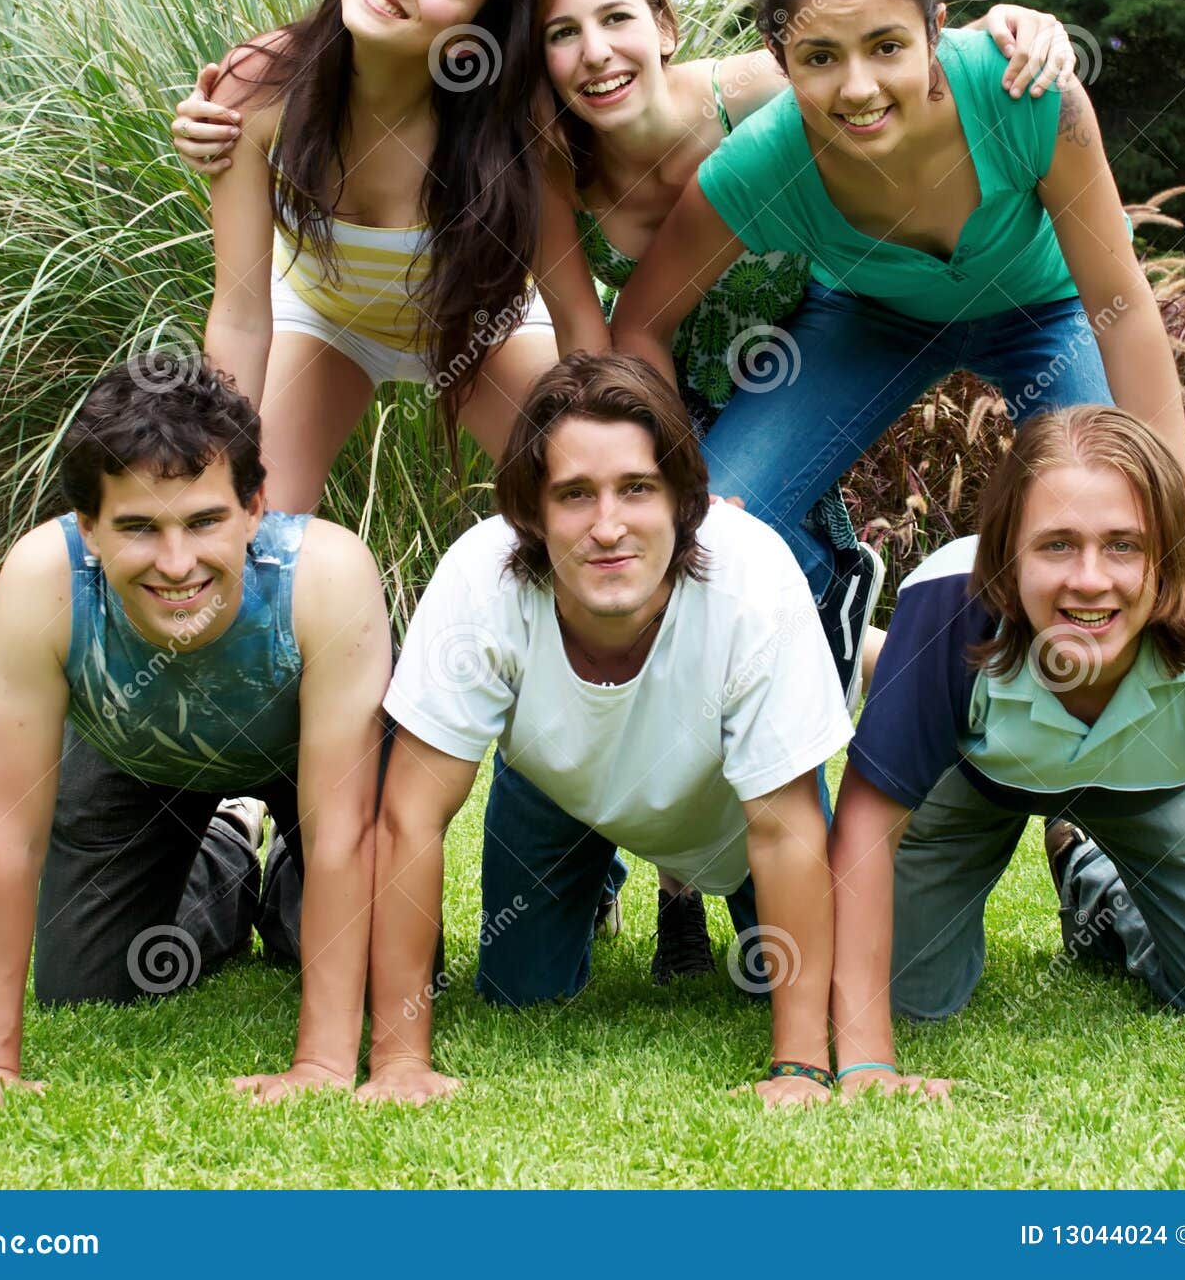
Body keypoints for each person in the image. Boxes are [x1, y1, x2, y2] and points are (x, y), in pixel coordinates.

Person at [173, 0, 1076, 981]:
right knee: (399, 543)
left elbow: (876, 41)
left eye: (617, 20)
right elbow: (588, 337)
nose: (594, 51)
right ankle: (337, 823)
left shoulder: (746, 94)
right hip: (551, 366)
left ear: (663, 24)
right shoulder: (511, 138)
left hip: (717, 364)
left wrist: (1014, 27)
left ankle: (732, 812)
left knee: (686, 553)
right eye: (563, 33)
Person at [611, 0, 1185, 618]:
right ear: (778, 56)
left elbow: (1119, 306)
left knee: (1117, 527)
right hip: (868, 316)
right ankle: (830, 592)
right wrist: (678, 479)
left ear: (936, 30)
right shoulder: (763, 166)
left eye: (887, 47)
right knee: (709, 543)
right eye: (819, 57)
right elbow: (641, 323)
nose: (858, 88)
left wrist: (1183, 508)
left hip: (1047, 309)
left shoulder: (1029, 94)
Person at [355, 353, 855, 1109]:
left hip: (732, 803)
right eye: (575, 494)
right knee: (520, 993)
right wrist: (398, 1060)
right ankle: (596, 883)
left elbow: (786, 834)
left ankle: (684, 889)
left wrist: (800, 1067)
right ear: (531, 512)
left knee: (790, 985)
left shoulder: (754, 578)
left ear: (684, 501)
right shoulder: (480, 578)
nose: (608, 526)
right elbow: (409, 819)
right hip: (557, 784)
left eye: (637, 489)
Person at [827, 406, 1185, 1104]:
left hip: (1161, 787)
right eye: (1057, 545)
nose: (1090, 579)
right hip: (976, 779)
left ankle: (1088, 876)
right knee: (905, 997)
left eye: (1124, 545)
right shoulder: (947, 600)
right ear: (1007, 554)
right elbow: (864, 835)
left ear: (1170, 555)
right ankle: (888, 666)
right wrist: (867, 1065)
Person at [0, 355, 391, 1105]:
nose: (177, 563)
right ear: (89, 527)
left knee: (383, 972)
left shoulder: (326, 575)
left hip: (308, 767)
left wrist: (320, 1064)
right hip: (136, 759)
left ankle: (290, 874)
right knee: (86, 985)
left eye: (205, 521)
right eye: (138, 527)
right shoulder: (43, 580)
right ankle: (227, 853)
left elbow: (345, 833)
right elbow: (5, 835)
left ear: (254, 508)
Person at [194, 0, 596, 513]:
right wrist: (220, 468)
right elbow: (240, 313)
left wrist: (612, 453)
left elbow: (576, 317)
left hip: (482, 329)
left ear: (472, 37)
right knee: (254, 523)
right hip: (326, 319)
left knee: (578, 499)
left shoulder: (515, 127)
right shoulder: (260, 83)